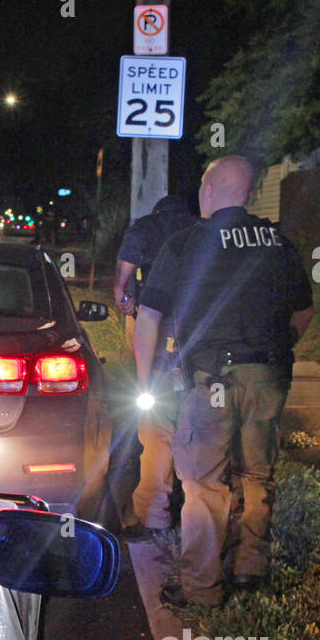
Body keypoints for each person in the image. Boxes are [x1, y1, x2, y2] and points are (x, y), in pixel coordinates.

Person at [134, 156, 315, 608]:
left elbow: (148, 317)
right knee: (257, 473)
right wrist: (276, 348)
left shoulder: (185, 242)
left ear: (209, 191)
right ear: (249, 195)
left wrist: (145, 385)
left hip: (210, 381)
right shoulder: (277, 242)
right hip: (268, 375)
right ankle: (251, 566)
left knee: (203, 484)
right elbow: (304, 311)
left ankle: (201, 588)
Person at [109, 194, 197, 537]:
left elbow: (123, 276)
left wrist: (123, 294)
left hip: (153, 319)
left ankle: (153, 511)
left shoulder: (144, 228)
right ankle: (193, 506)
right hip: (197, 329)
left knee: (154, 415)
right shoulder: (200, 230)